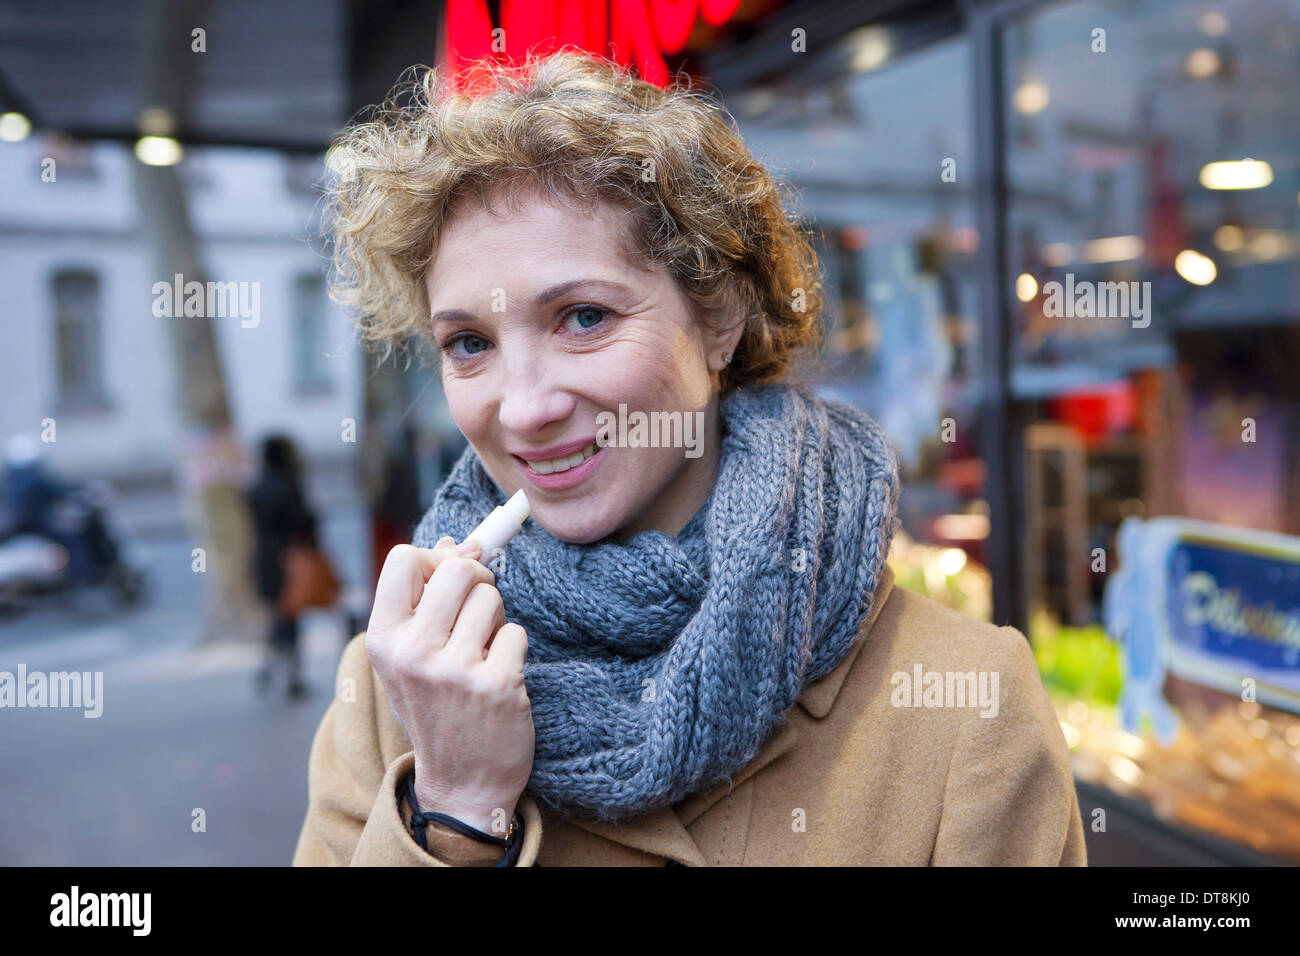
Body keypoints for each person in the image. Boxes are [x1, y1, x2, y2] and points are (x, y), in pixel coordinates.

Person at [293, 52, 1086, 866]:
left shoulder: (965, 705)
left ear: (721, 318)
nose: (524, 407)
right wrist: (454, 811)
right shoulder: (397, 685)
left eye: (583, 318)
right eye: (468, 343)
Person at [248, 434, 316, 700]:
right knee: (291, 620)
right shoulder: (290, 485)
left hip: (264, 558)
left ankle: (267, 667)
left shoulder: (256, 487)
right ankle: (293, 677)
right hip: (291, 559)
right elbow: (305, 523)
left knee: (277, 616)